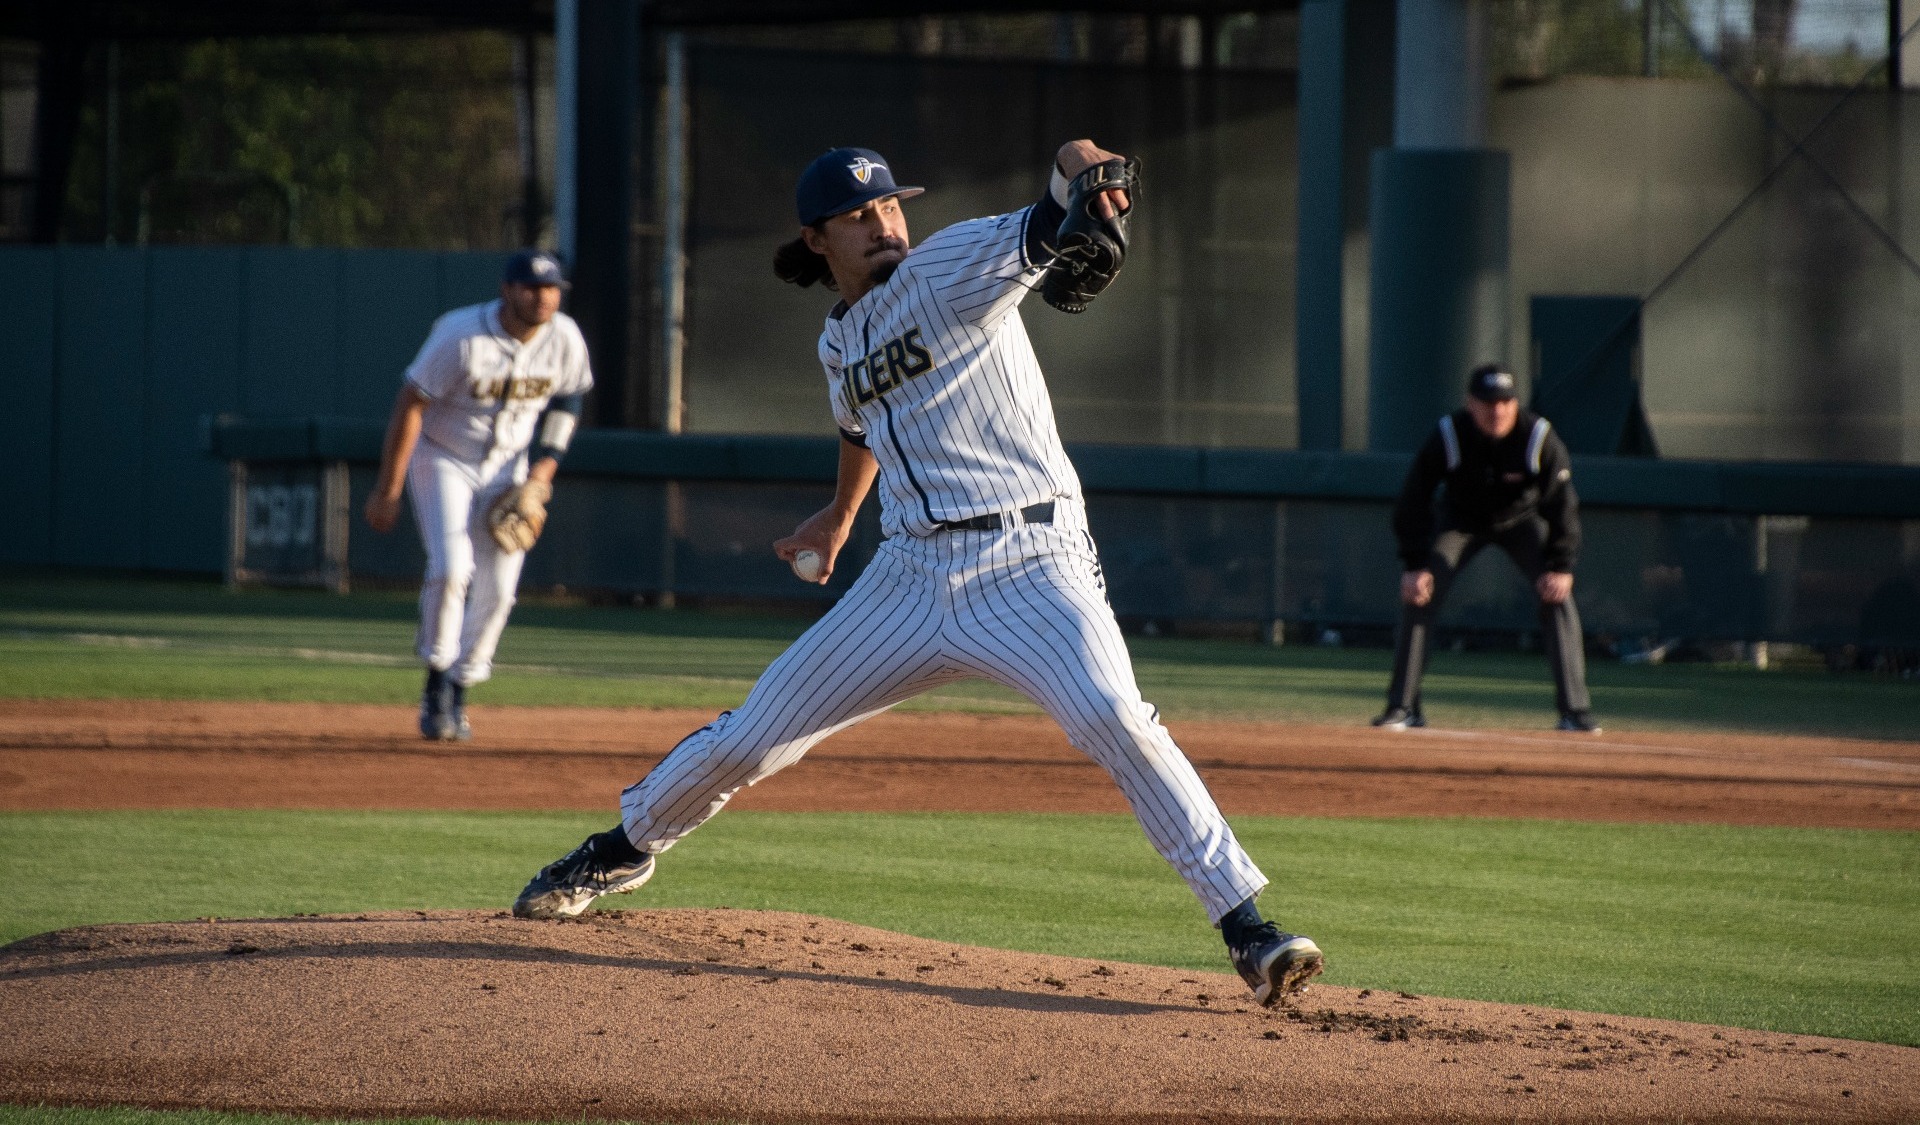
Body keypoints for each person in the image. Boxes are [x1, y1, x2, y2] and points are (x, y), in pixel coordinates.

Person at [511, 142, 1324, 1008]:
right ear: (816, 238)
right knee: (754, 734)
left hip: (1032, 560)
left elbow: (1059, 202)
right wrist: (839, 516)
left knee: (1116, 717)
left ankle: (1247, 926)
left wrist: (1090, 171)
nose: (883, 222)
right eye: (860, 216)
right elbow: (862, 427)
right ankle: (623, 846)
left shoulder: (946, 266)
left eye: (890, 205)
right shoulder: (837, 340)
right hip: (908, 574)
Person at [362, 250, 591, 741]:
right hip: (443, 458)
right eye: (531, 287)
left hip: (512, 468)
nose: (543, 297)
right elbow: (411, 402)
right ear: (507, 290)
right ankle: (436, 683)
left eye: (551, 288)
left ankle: (462, 687)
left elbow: (569, 399)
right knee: (450, 569)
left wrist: (542, 473)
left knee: (502, 588)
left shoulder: (565, 337)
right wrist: (388, 488)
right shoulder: (461, 334)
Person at [1373, 364, 1599, 733]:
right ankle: (1403, 707)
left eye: (1505, 402)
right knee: (1421, 594)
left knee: (1557, 598)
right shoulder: (1450, 433)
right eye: (1487, 403)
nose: (1497, 411)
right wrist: (1415, 563)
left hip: (1521, 522)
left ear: (1516, 404)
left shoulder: (1538, 436)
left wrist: (1561, 564)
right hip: (1461, 521)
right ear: (1470, 404)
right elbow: (1413, 498)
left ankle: (1574, 710)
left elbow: (1563, 505)